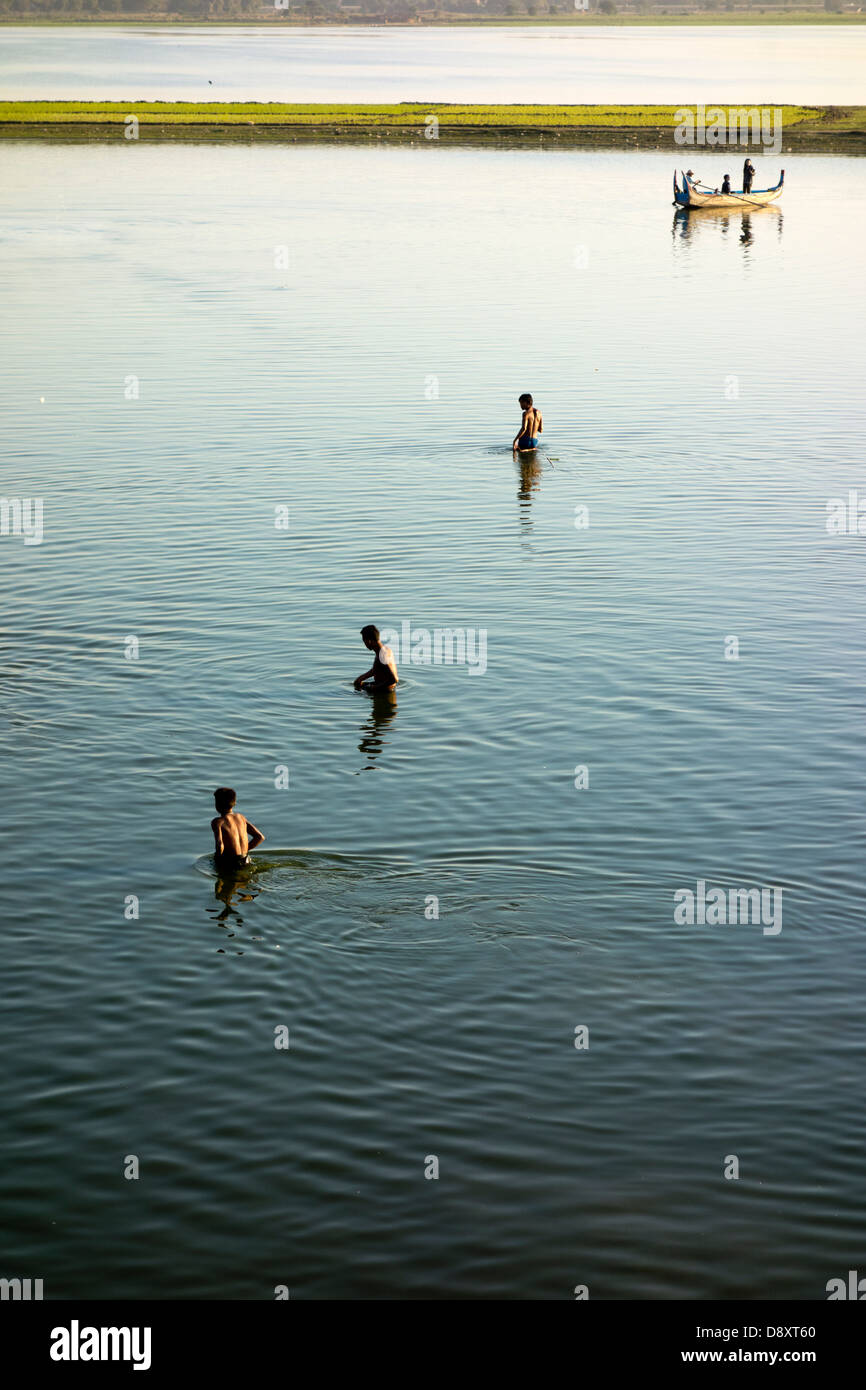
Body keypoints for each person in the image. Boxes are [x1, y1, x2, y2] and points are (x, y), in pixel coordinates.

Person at [211, 787, 265, 869]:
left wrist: (217, 861)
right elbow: (260, 837)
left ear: (217, 804)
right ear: (234, 803)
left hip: (231, 863)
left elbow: (220, 845)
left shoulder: (218, 822)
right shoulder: (241, 818)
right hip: (246, 860)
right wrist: (244, 851)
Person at [354, 625, 398, 691]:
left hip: (384, 693)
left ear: (369, 641)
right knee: (357, 684)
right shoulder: (385, 649)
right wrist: (361, 678)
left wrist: (374, 688)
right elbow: (379, 668)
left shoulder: (382, 655)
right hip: (383, 688)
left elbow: (394, 679)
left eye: (364, 641)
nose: (364, 644)